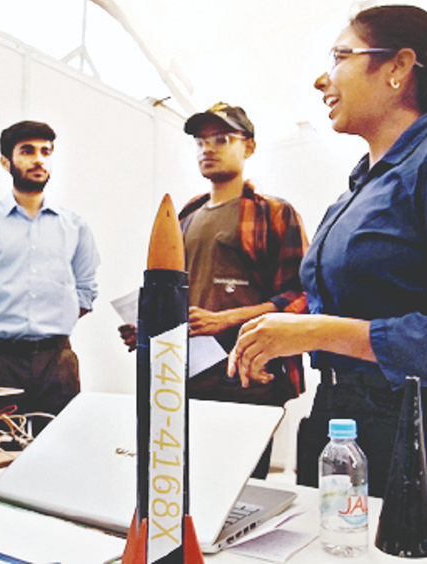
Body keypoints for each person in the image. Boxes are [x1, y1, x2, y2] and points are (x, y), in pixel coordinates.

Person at [229, 5, 427, 511]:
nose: (321, 79)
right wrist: (282, 331)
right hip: (344, 420)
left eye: (341, 56)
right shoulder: (359, 186)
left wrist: (317, 332)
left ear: (396, 68)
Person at [118, 103, 309, 478]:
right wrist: (149, 329)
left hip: (248, 381)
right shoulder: (186, 215)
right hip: (185, 381)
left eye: (221, 139)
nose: (208, 148)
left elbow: (300, 296)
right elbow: (176, 296)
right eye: (201, 140)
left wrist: (226, 319)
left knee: (241, 493)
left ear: (248, 147)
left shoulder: (272, 213)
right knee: (188, 488)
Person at [0, 121, 100, 426]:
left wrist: (52, 323)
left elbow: (86, 289)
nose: (38, 159)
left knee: (60, 454)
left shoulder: (75, 226)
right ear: (6, 161)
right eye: (27, 151)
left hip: (57, 362)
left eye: (46, 151)